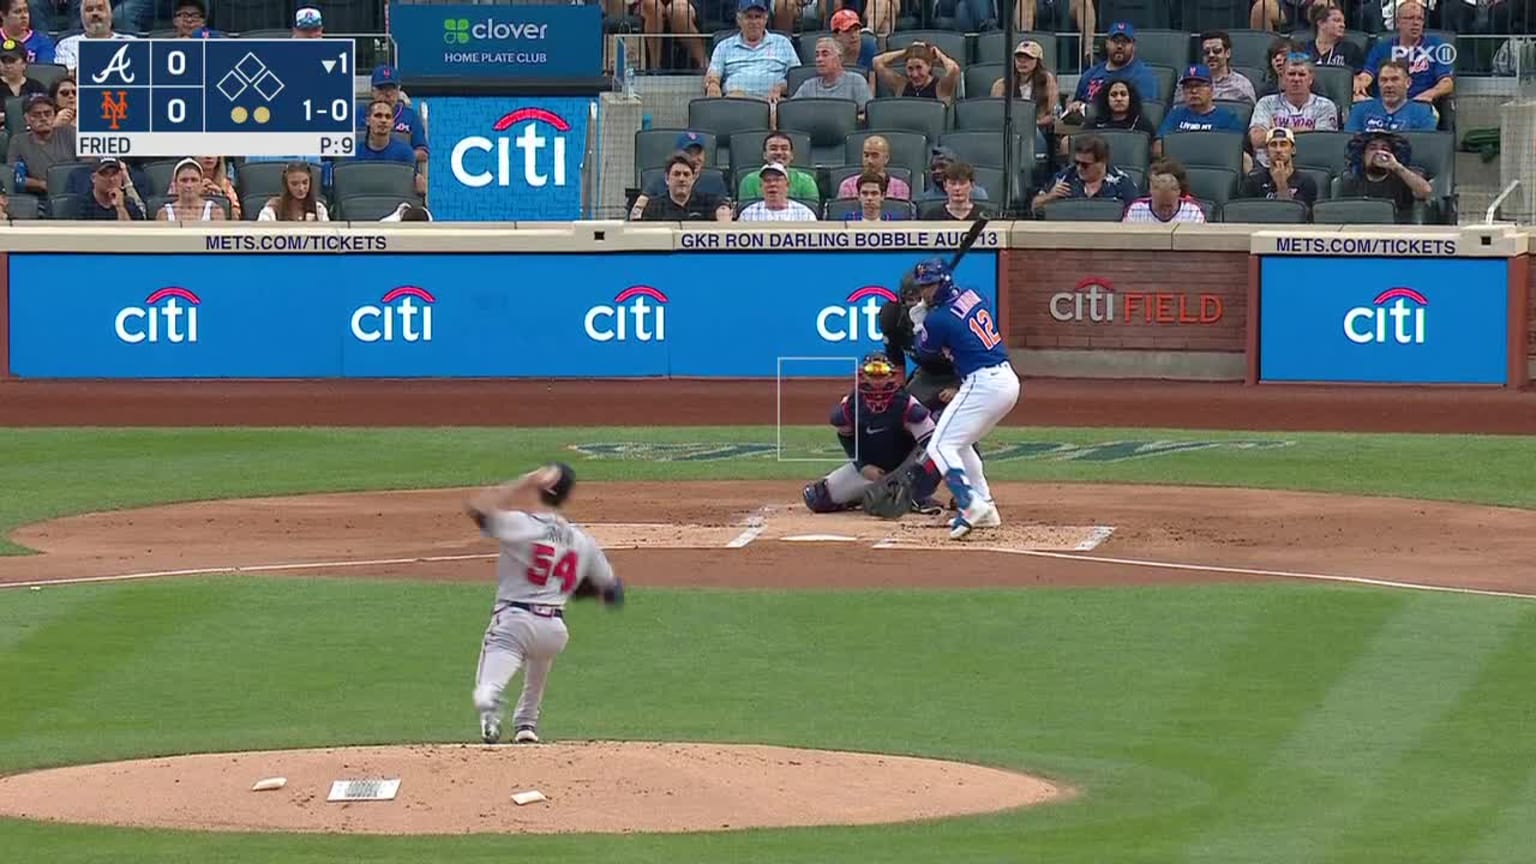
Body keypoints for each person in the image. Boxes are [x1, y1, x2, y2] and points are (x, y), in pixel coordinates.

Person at [466, 463, 624, 746]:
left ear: (543, 488)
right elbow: (613, 593)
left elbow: (478, 509)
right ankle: (526, 724)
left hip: (514, 621)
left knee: (489, 683)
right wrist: (577, 588)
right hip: (554, 630)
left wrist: (525, 480)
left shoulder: (521, 524)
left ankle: (490, 706)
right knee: (540, 653)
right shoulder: (581, 539)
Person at [910, 258, 1019, 540]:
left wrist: (919, 324)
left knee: (940, 445)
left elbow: (924, 352)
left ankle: (969, 503)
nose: (924, 292)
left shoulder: (937, 320)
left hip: (982, 383)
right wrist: (932, 311)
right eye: (922, 287)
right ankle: (986, 507)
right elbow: (964, 313)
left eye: (929, 286)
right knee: (961, 443)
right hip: (1005, 380)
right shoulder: (974, 293)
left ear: (943, 282)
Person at [801, 352, 941, 516]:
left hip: (904, 468)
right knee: (817, 498)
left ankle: (917, 497)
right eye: (872, 375)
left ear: (891, 376)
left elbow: (933, 444)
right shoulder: (851, 406)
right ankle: (864, 495)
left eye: (882, 374)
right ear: (863, 376)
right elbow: (846, 437)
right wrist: (862, 466)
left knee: (935, 454)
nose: (877, 381)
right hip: (872, 469)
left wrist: (912, 476)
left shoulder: (907, 405)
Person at [879, 268, 961, 415]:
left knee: (944, 418)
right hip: (928, 373)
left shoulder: (950, 316)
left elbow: (974, 358)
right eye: (911, 300)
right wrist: (898, 392)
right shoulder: (891, 316)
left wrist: (958, 387)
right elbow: (895, 357)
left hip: (962, 374)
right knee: (901, 412)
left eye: (921, 300)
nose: (917, 306)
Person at [1339, 130, 1433, 221]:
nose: (1379, 153)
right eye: (1372, 148)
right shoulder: (1350, 183)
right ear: (1363, 155)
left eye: (1385, 149)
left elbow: (1426, 192)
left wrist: (1397, 167)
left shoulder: (1404, 180)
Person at [1345, 59, 1437, 132]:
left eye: (1395, 79)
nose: (1388, 85)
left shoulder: (1423, 113)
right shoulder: (1359, 109)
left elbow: (1424, 146)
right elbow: (1349, 142)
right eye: (1383, 80)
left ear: (1408, 83)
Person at [1242, 126, 1318, 208]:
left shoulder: (1306, 182)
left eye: (1283, 144)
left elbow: (1293, 213)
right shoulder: (1253, 182)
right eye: (1273, 145)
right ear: (1266, 151)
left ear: (1293, 150)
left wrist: (1281, 184)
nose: (1278, 150)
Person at [1123, 158, 1208, 223]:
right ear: (1151, 192)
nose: (1165, 212)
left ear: (1179, 192)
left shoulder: (1192, 212)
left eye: (1168, 206)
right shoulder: (1136, 211)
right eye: (1161, 206)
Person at [872, 41, 960, 103]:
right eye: (910, 68)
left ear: (929, 66)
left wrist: (939, 55)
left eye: (919, 67)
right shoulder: (901, 85)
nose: (915, 74)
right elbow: (876, 62)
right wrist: (906, 51)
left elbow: (954, 69)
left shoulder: (940, 87)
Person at [156, 157, 226, 222]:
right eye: (184, 180)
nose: (189, 185)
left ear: (201, 183)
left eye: (194, 180)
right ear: (175, 184)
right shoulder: (164, 213)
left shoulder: (215, 212)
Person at [257, 162, 330, 221]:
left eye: (305, 183)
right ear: (286, 184)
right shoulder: (272, 209)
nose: (301, 188)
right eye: (294, 184)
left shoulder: (319, 209)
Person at [1082, 79, 1156, 136]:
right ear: (1106, 99)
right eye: (1114, 95)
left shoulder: (1142, 125)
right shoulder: (1093, 126)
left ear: (1131, 98)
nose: (1119, 99)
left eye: (1123, 94)